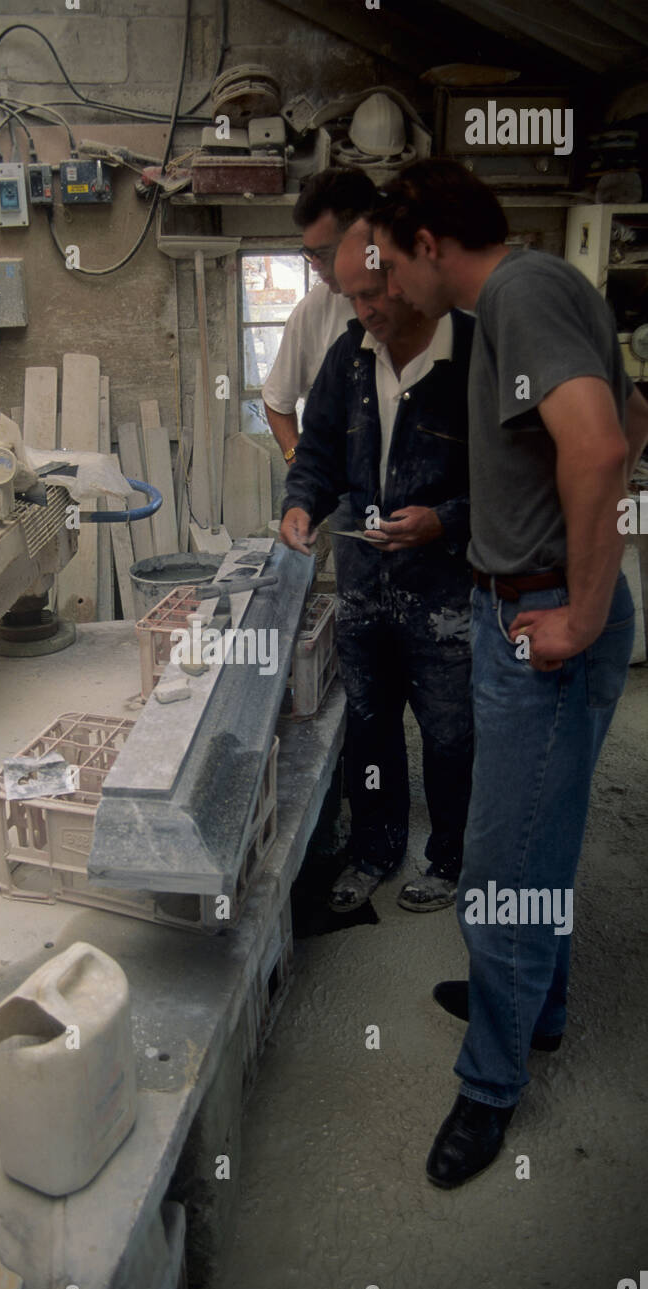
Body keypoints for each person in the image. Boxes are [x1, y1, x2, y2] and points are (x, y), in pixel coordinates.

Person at [370, 158, 648, 1189]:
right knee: (537, 837)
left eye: (393, 264)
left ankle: (489, 1084)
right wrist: (459, 521)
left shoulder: (520, 295)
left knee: (500, 870)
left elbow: (601, 447)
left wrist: (575, 609)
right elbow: (631, 415)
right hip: (523, 605)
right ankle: (539, 1009)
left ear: (433, 244)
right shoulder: (539, 289)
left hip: (542, 626)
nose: (390, 287)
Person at [280, 224, 475, 914]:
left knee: (450, 731)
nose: (363, 308)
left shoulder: (474, 354)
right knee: (368, 723)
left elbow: (514, 486)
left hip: (444, 588)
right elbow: (317, 449)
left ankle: (450, 859)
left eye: (373, 292)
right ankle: (373, 849)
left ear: (405, 277)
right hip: (364, 581)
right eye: (352, 296)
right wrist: (301, 503)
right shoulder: (349, 357)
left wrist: (443, 520)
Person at [262, 169, 378, 464]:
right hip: (342, 493)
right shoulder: (314, 310)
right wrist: (297, 459)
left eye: (324, 253)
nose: (314, 266)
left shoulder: (430, 305)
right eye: (308, 253)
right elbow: (277, 399)